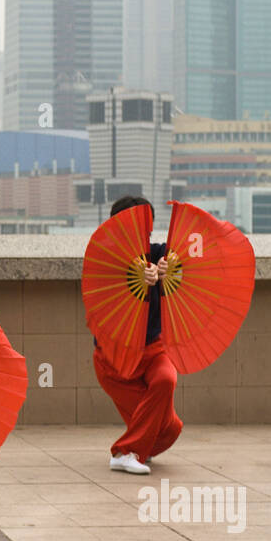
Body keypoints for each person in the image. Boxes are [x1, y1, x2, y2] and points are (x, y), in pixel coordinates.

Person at [91, 194, 183, 475]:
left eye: (147, 229)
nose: (143, 235)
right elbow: (115, 287)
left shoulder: (155, 253)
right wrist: (137, 279)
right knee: (163, 428)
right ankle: (126, 452)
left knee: (167, 388)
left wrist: (173, 265)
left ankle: (132, 449)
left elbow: (186, 254)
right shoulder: (104, 261)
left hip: (154, 348)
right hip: (116, 359)